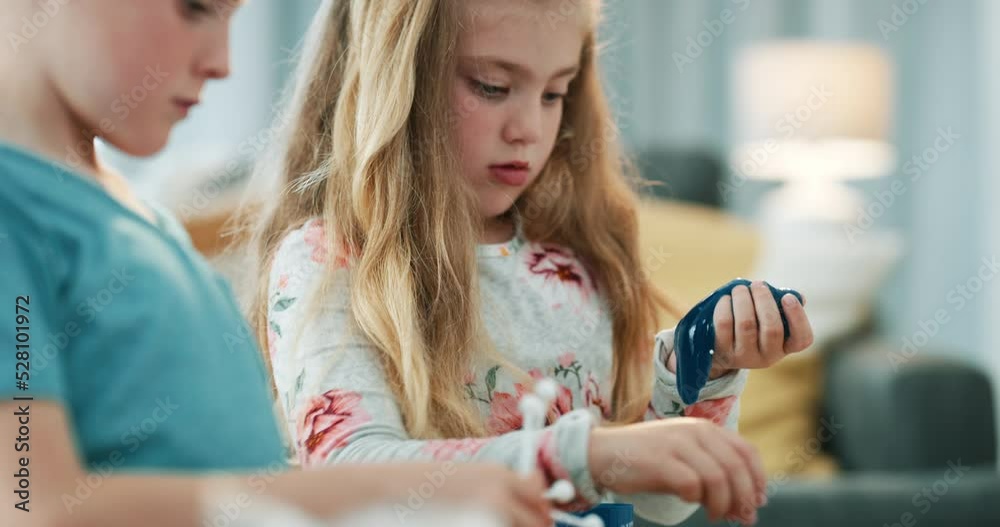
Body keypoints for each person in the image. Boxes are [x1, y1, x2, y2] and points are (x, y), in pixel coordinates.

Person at [249, 0, 815, 525]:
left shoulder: (572, 266)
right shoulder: (325, 260)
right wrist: (589, 453)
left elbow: (655, 504)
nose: (530, 130)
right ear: (400, 78)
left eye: (554, 94)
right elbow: (349, 472)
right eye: (493, 86)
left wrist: (703, 372)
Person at [0, 2, 550, 526]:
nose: (223, 62)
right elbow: (29, 504)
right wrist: (391, 490)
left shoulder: (140, 221)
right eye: (194, 7)